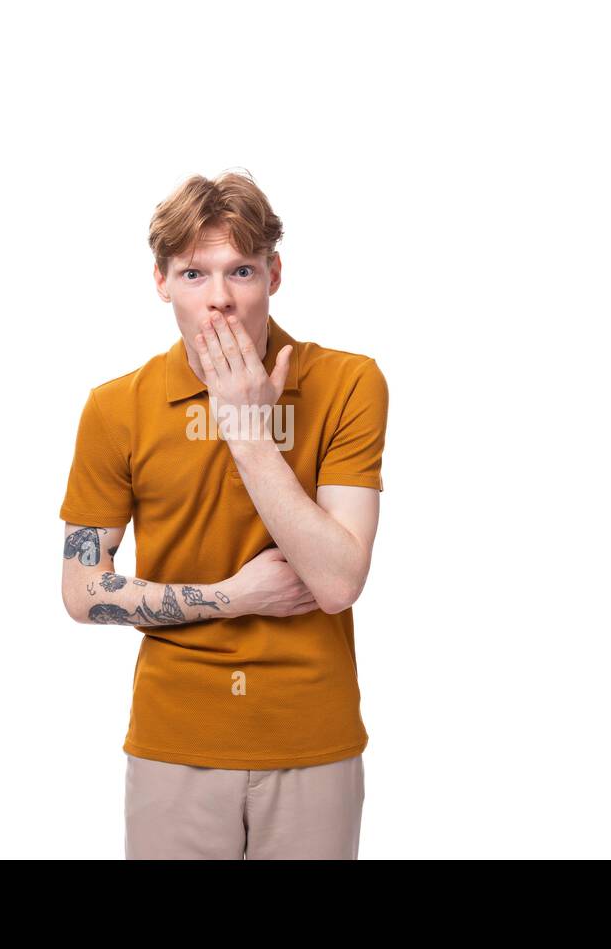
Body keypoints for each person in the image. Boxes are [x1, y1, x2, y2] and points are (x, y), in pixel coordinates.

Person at [59, 169, 388, 859]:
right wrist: (233, 597)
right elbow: (84, 591)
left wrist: (245, 431)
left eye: (240, 270)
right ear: (160, 282)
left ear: (273, 273)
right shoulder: (115, 407)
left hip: (310, 737)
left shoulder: (349, 382)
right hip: (175, 741)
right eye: (193, 274)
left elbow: (336, 582)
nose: (220, 301)